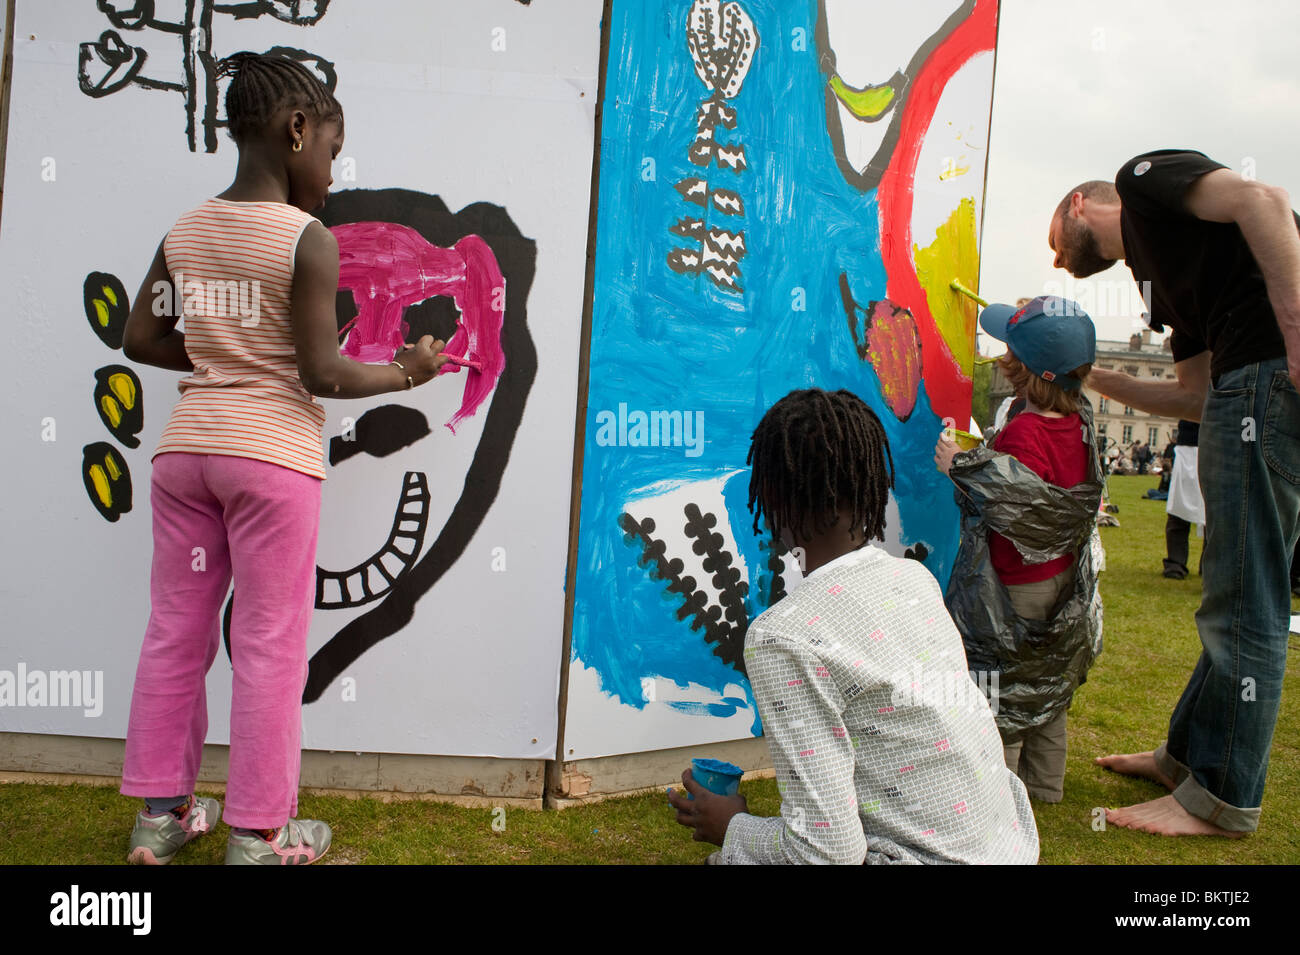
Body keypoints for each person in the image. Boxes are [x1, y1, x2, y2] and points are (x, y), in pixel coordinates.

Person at [118, 52, 448, 864]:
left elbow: (139, 337)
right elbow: (320, 372)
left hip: (186, 456)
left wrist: (217, 364)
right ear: (296, 130)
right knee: (267, 644)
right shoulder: (307, 239)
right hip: (269, 460)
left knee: (174, 631)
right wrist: (409, 369)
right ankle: (259, 834)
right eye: (331, 153)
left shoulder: (185, 228)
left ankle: (161, 819)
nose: (332, 175)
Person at [667, 389, 1039, 864]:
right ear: (869, 485)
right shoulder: (913, 579)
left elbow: (824, 854)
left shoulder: (783, 637)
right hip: (1005, 849)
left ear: (774, 498)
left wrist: (731, 826)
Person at [1049, 149, 1300, 836]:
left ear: (1078, 205)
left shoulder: (1141, 182)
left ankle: (1222, 802)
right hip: (1235, 389)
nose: (1055, 260)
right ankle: (1186, 757)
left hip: (1266, 375)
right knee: (1231, 589)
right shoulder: (1156, 280)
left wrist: (1295, 335)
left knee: (1248, 596)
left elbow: (1266, 203)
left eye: (1052, 242)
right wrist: (1089, 376)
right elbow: (1189, 391)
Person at [936, 296, 1103, 804]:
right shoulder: (1080, 424)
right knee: (1046, 681)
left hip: (1014, 586)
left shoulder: (1027, 432)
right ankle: (1045, 787)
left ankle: (999, 791)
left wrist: (959, 466)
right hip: (1060, 578)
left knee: (997, 680)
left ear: (1020, 370)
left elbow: (1012, 507)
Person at [1162, 421, 1202, 579]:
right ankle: (1175, 563)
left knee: (1215, 513)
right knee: (1178, 508)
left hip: (1218, 441)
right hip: (1188, 445)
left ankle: (1211, 566)